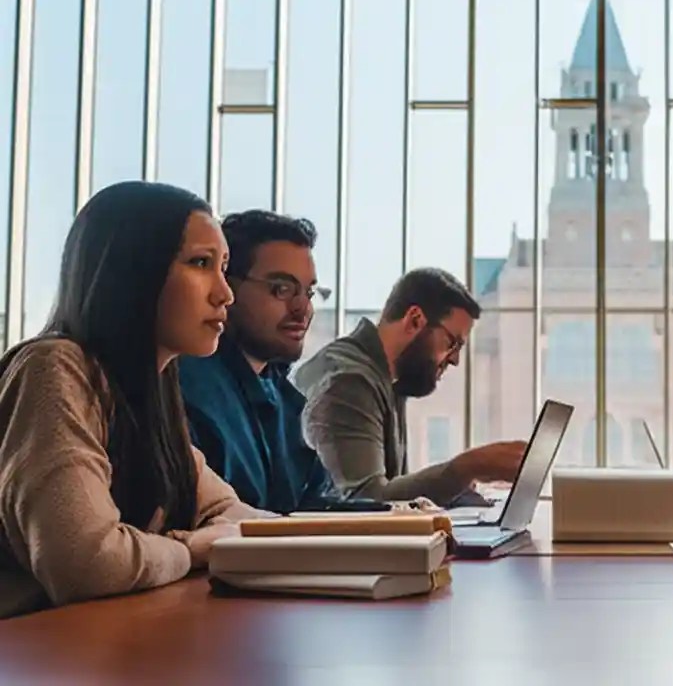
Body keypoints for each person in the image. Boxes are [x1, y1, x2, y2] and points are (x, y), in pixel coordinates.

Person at [0, 182, 258, 618]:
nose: (224, 294)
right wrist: (192, 548)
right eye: (200, 263)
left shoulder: (150, 393)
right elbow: (87, 562)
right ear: (133, 271)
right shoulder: (54, 368)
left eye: (224, 267)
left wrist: (200, 541)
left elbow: (238, 518)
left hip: (85, 649)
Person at [294, 268, 526, 504]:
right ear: (414, 320)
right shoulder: (348, 382)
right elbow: (366, 502)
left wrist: (465, 493)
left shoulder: (389, 379)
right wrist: (466, 468)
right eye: (452, 343)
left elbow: (391, 492)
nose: (455, 360)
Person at [179, 211, 331, 514]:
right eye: (282, 289)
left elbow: (313, 508)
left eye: (309, 292)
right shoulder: (186, 386)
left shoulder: (282, 397)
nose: (302, 308)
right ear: (227, 287)